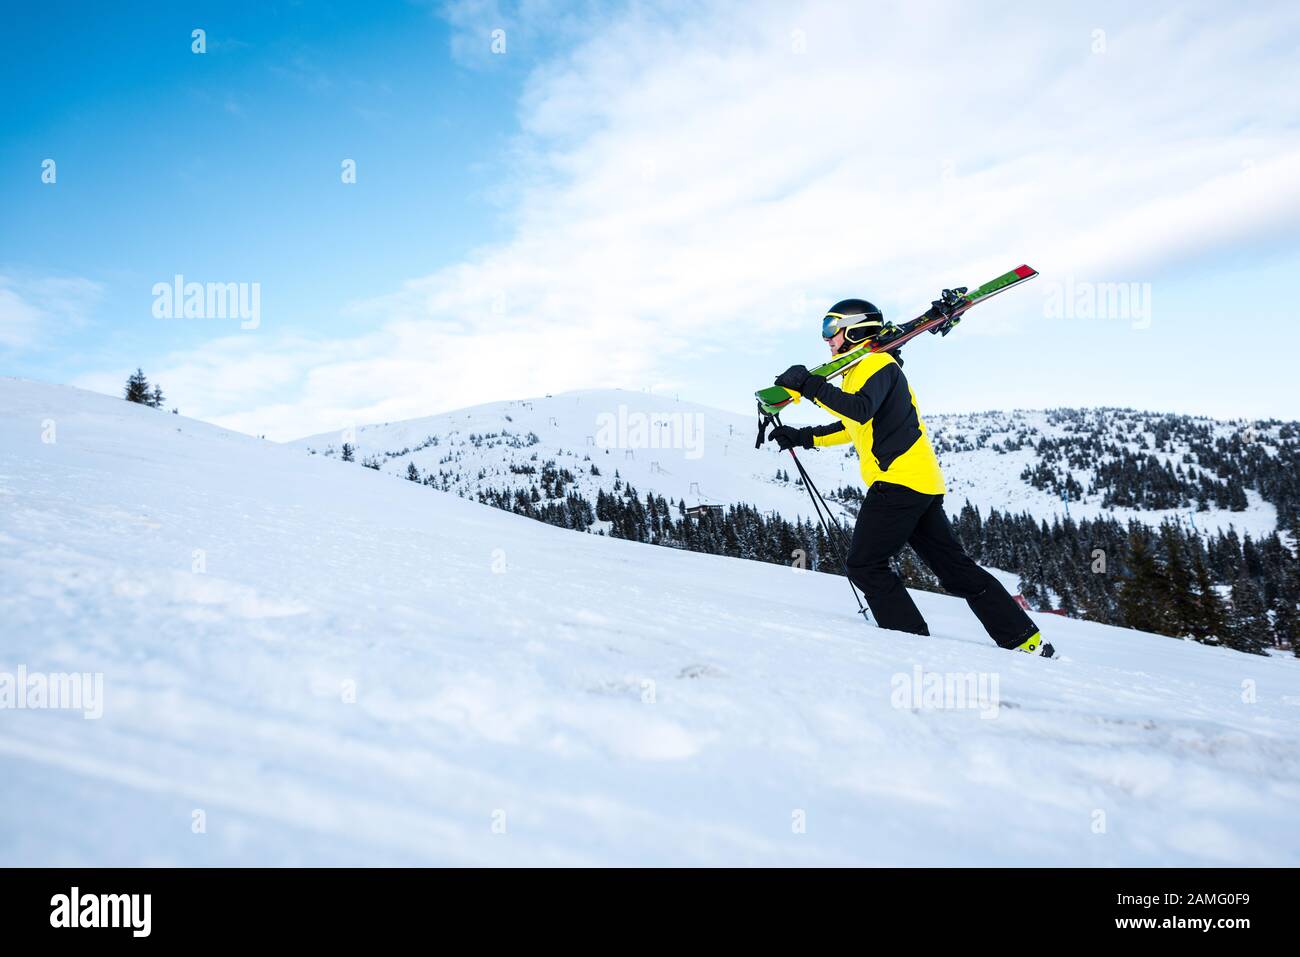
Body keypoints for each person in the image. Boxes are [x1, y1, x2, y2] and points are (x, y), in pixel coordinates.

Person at [768, 298, 1054, 657]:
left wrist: (809, 385)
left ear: (855, 327)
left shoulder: (877, 362)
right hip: (919, 483)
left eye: (831, 327)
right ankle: (1025, 640)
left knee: (865, 564)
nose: (825, 337)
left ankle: (908, 642)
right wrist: (802, 436)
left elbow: (858, 408)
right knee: (956, 572)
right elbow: (855, 423)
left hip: (899, 482)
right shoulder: (861, 371)